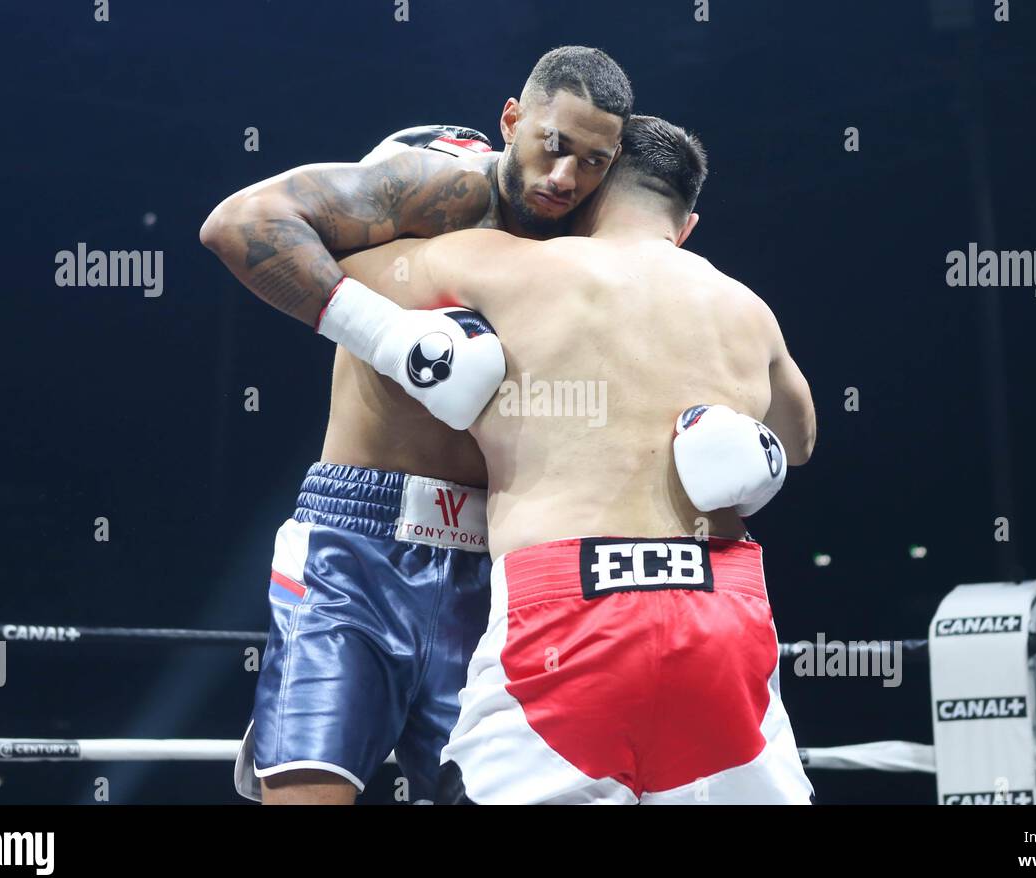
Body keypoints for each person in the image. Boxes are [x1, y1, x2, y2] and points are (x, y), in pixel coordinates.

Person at [327, 115, 817, 803]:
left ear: (588, 191)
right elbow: (799, 442)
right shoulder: (746, 307)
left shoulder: (504, 265)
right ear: (687, 224)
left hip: (565, 613)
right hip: (722, 611)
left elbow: (325, 253)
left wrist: (397, 328)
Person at [199, 46, 634, 804]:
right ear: (512, 120)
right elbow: (241, 223)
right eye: (553, 145)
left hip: (499, 564)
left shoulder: (590, 251)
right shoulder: (440, 190)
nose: (566, 177)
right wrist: (395, 341)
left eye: (593, 161)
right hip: (355, 548)